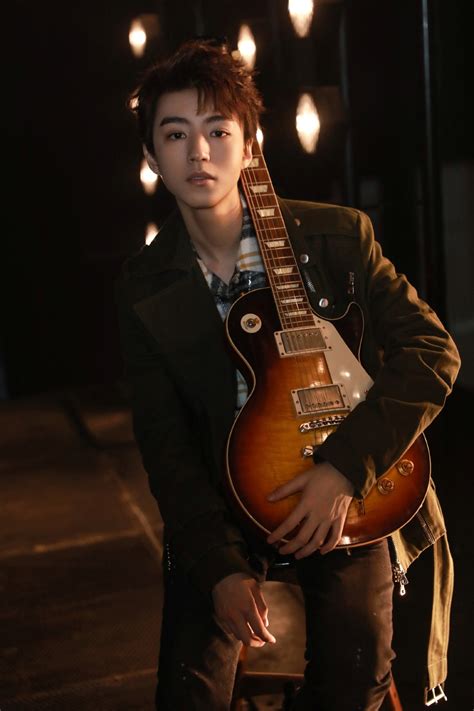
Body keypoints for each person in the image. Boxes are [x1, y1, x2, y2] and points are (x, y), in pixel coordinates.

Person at [115, 38, 460, 711]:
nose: (199, 152)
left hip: (346, 484)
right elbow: (165, 443)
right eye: (176, 134)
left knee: (357, 667)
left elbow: (434, 352)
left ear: (250, 146)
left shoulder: (339, 237)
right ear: (152, 157)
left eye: (218, 131)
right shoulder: (142, 287)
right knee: (188, 694)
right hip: (219, 501)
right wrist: (217, 567)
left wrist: (344, 468)